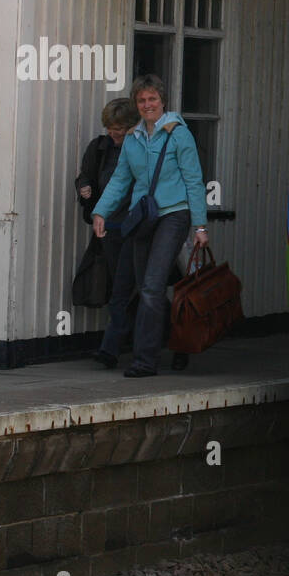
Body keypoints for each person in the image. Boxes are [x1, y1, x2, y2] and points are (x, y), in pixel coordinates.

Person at [91, 75, 209, 377]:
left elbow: (194, 179)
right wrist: (100, 212)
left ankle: (145, 360)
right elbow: (121, 179)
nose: (147, 105)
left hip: (174, 214)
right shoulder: (132, 137)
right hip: (143, 217)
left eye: (152, 99)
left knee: (152, 286)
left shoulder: (178, 133)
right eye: (142, 100)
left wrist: (199, 225)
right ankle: (178, 344)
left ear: (162, 100)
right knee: (147, 289)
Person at [76, 98, 140, 297]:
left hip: (136, 225)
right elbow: (85, 176)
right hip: (109, 227)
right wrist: (84, 187)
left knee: (139, 283)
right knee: (116, 283)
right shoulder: (100, 147)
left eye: (119, 128)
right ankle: (124, 325)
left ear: (131, 126)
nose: (113, 133)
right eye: (109, 128)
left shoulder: (140, 147)